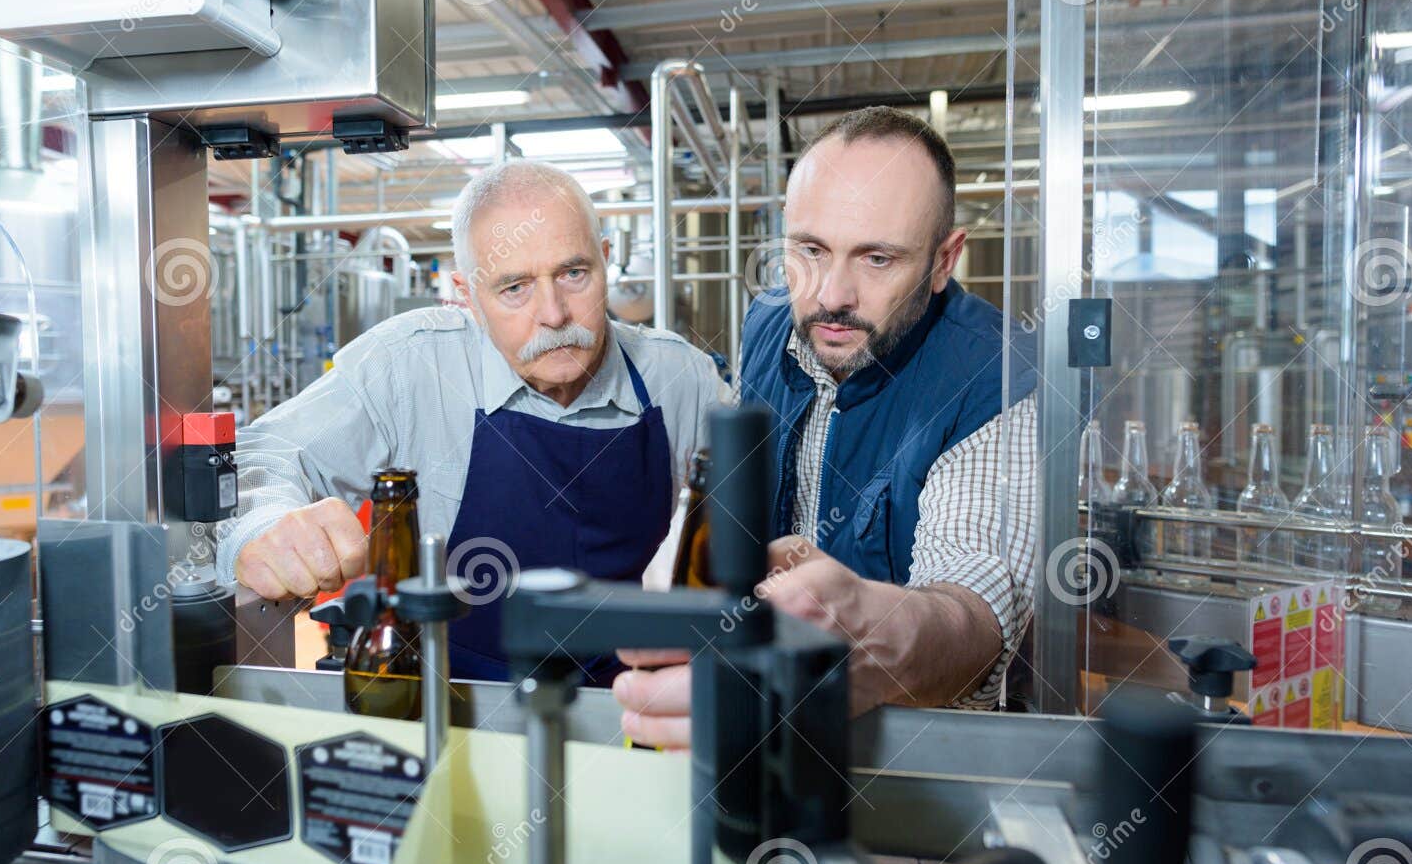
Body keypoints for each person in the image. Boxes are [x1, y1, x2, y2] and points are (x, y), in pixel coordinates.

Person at [615, 106, 1038, 746]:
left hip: (915, 761)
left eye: (876, 259)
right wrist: (687, 545)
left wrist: (874, 630)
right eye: (810, 250)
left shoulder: (996, 378)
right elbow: (726, 479)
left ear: (945, 259)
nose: (832, 294)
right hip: (755, 730)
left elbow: (972, 612)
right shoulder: (766, 326)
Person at [217, 159, 727, 683]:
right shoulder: (410, 365)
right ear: (468, 297)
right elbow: (260, 455)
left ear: (606, 260)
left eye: (573, 273)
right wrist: (264, 525)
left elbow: (763, 516)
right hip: (455, 700)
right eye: (514, 288)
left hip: (635, 701)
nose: (553, 313)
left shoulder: (679, 376)